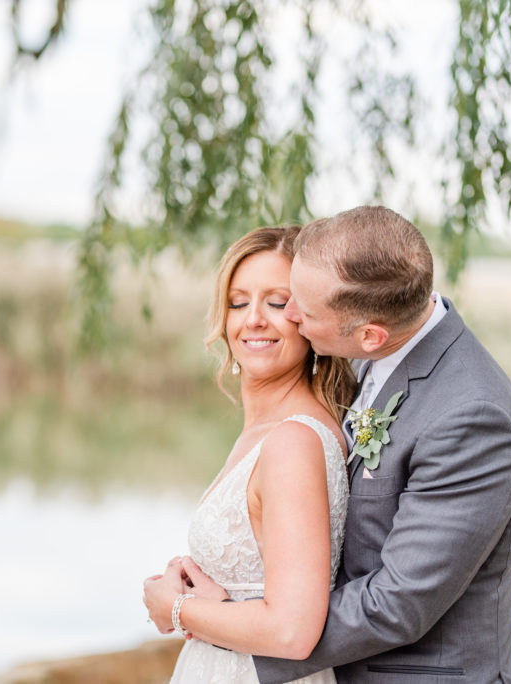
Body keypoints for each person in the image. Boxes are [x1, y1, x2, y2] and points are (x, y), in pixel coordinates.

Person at [148, 206, 511, 683]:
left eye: (298, 308)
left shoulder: (472, 418)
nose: (287, 317)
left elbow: (396, 604)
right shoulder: (361, 355)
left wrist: (220, 618)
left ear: (370, 335)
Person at [143, 225, 356, 683]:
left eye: (277, 303)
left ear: (310, 318)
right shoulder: (268, 433)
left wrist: (176, 609)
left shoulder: (293, 441)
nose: (254, 318)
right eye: (239, 302)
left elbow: (292, 630)